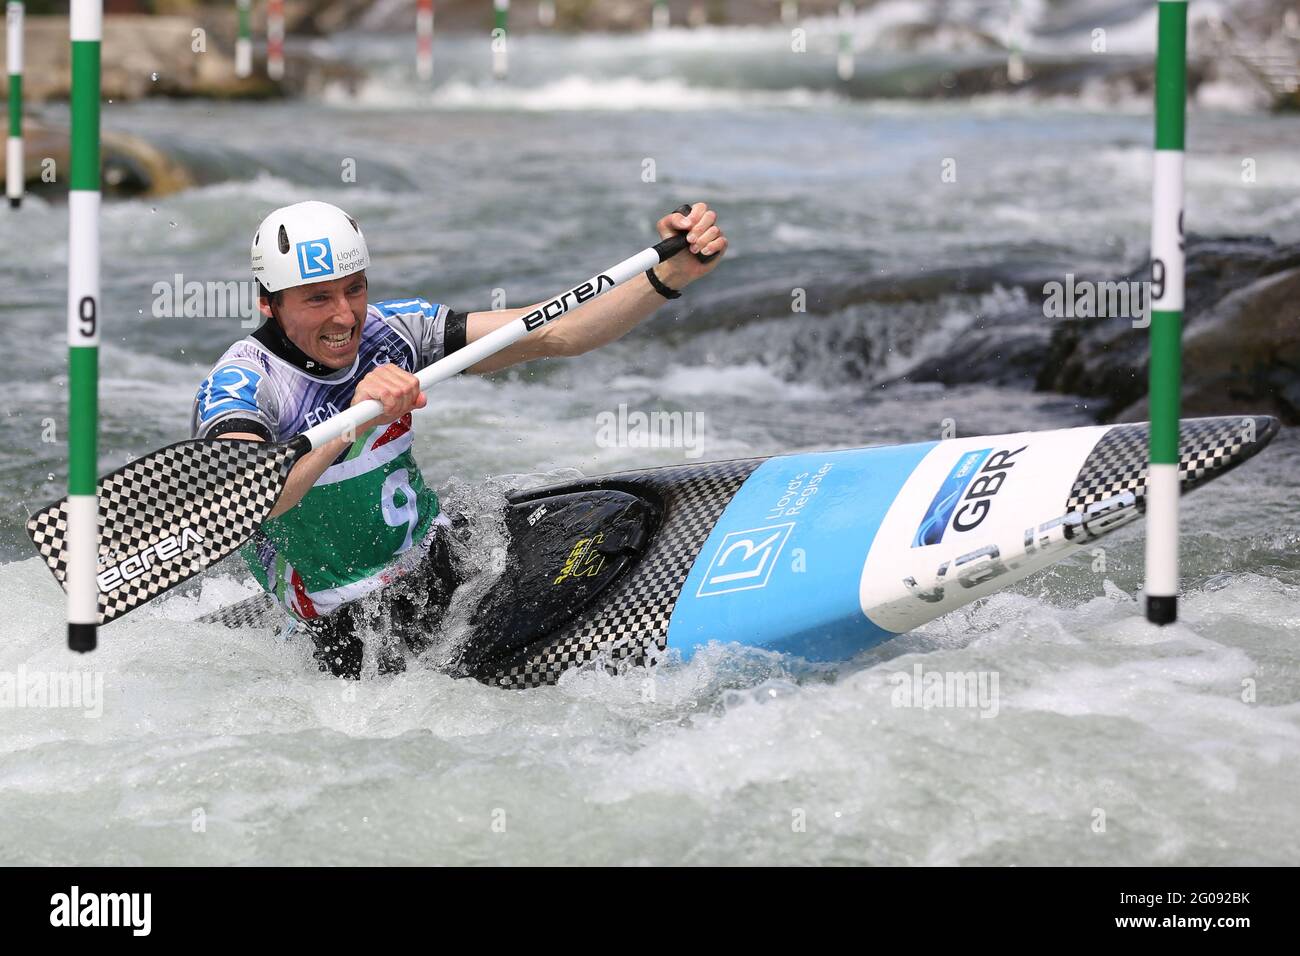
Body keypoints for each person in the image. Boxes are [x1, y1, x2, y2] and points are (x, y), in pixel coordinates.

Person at [191, 199, 727, 677]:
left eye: (355, 289)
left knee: (604, 514)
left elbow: (554, 333)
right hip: (353, 628)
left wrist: (669, 277)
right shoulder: (243, 385)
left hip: (438, 561)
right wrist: (354, 422)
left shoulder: (394, 331)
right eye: (317, 299)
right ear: (268, 303)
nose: (345, 315)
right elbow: (245, 497)